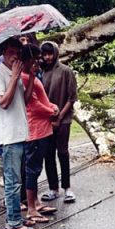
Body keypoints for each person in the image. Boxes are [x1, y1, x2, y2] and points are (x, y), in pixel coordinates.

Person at [0, 38, 39, 229]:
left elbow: (24, 100)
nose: (15, 56)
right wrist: (15, 76)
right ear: (3, 53)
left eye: (17, 53)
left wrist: (31, 76)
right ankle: (14, 224)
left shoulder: (12, 74)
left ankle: (16, 216)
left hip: (20, 133)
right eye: (11, 52)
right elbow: (4, 103)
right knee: (13, 182)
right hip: (9, 136)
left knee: (18, 179)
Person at [21, 43, 59, 223]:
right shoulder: (24, 78)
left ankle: (35, 202)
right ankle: (31, 208)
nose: (38, 62)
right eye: (35, 59)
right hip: (35, 129)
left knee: (37, 168)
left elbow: (42, 100)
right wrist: (51, 112)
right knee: (32, 170)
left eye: (39, 59)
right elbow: (32, 105)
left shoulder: (33, 76)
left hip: (43, 128)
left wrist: (52, 106)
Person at [39, 41, 78, 204]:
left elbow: (72, 97)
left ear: (55, 53)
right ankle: (53, 188)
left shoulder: (65, 71)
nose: (48, 57)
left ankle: (67, 187)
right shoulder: (41, 72)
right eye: (45, 54)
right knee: (48, 154)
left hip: (64, 119)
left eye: (50, 53)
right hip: (46, 120)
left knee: (62, 153)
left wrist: (60, 117)